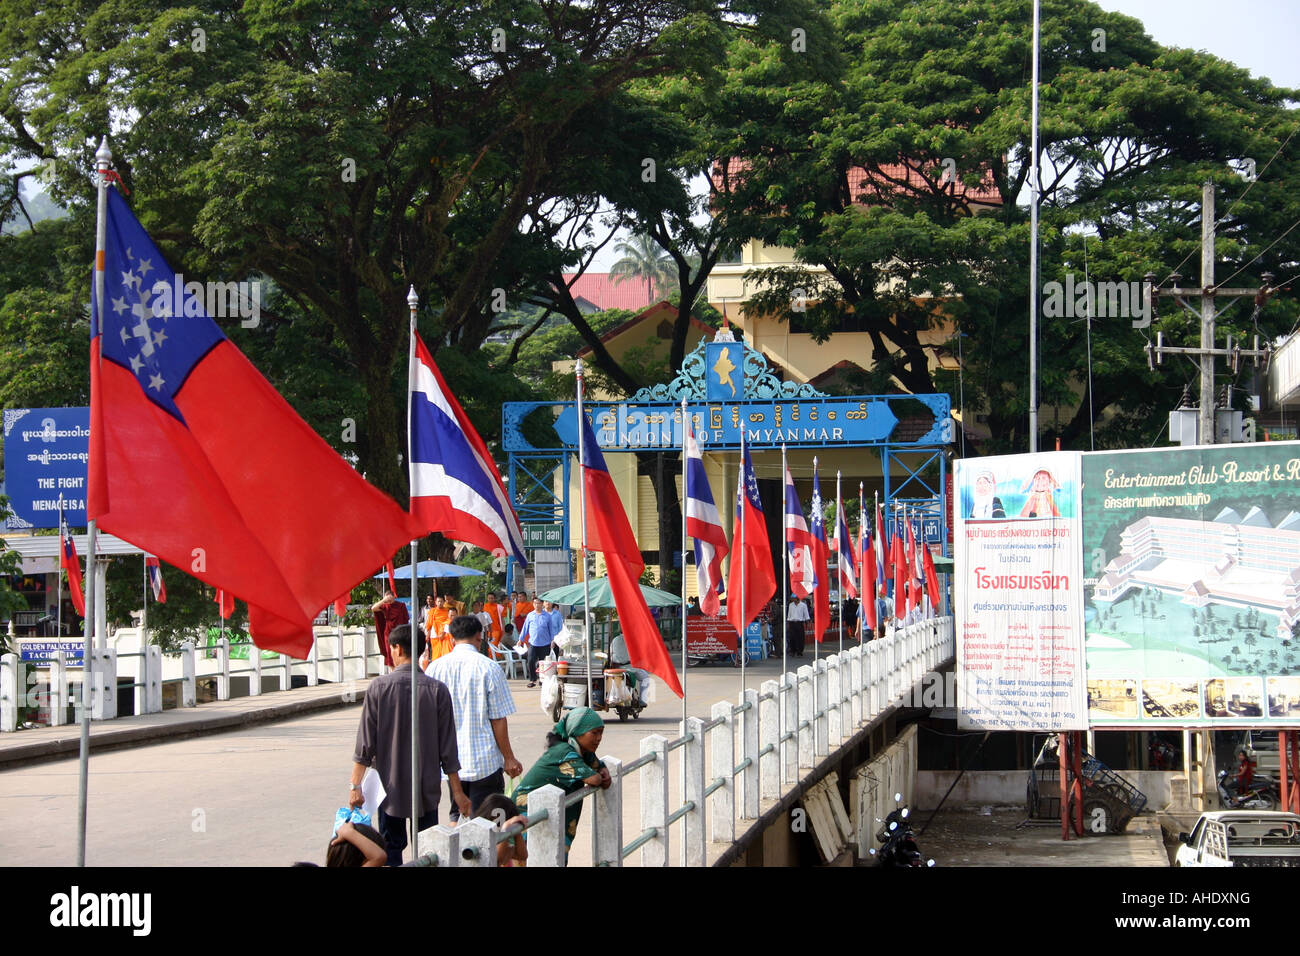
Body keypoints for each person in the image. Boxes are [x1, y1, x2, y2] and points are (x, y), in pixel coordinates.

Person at [349, 624, 471, 866]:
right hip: (425, 787)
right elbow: (449, 750)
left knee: (390, 846)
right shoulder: (437, 690)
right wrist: (458, 793)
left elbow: (365, 744)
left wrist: (355, 786)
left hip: (388, 786)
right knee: (428, 848)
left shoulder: (378, 688)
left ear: (396, 648)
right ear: (422, 649)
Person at [426, 614, 524, 822]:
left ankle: (455, 853)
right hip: (485, 762)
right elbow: (498, 719)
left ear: (452, 638)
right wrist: (509, 757)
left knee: (457, 817)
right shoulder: (489, 667)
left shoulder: (435, 668)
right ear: (480, 637)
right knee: (488, 822)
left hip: (451, 764)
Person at [511, 707, 611, 857]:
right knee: (538, 857)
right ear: (577, 732)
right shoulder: (565, 752)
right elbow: (595, 779)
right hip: (528, 814)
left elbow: (600, 770)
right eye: (594, 733)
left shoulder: (583, 752)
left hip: (549, 813)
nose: (599, 738)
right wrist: (600, 774)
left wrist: (603, 770)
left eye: (601, 732)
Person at [474, 793, 528, 867]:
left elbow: (521, 856)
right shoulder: (478, 836)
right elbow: (496, 860)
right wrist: (505, 829)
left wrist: (516, 828)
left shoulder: (503, 839)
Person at [520, 596, 558, 687]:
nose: (537, 605)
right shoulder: (530, 615)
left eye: (539, 603)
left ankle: (542, 679)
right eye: (535, 603)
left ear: (542, 604)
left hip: (545, 643)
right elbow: (525, 628)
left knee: (543, 662)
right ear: (533, 604)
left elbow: (551, 629)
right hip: (533, 643)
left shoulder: (547, 616)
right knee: (531, 660)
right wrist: (520, 639)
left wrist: (553, 640)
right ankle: (532, 680)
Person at [371, 590, 408, 670]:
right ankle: (392, 671)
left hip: (399, 633)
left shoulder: (401, 605)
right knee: (389, 654)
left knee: (400, 652)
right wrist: (384, 600)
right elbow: (373, 608)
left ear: (393, 597)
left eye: (390, 598)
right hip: (388, 633)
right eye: (387, 599)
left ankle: (399, 670)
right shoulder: (385, 606)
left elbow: (405, 619)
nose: (389, 601)